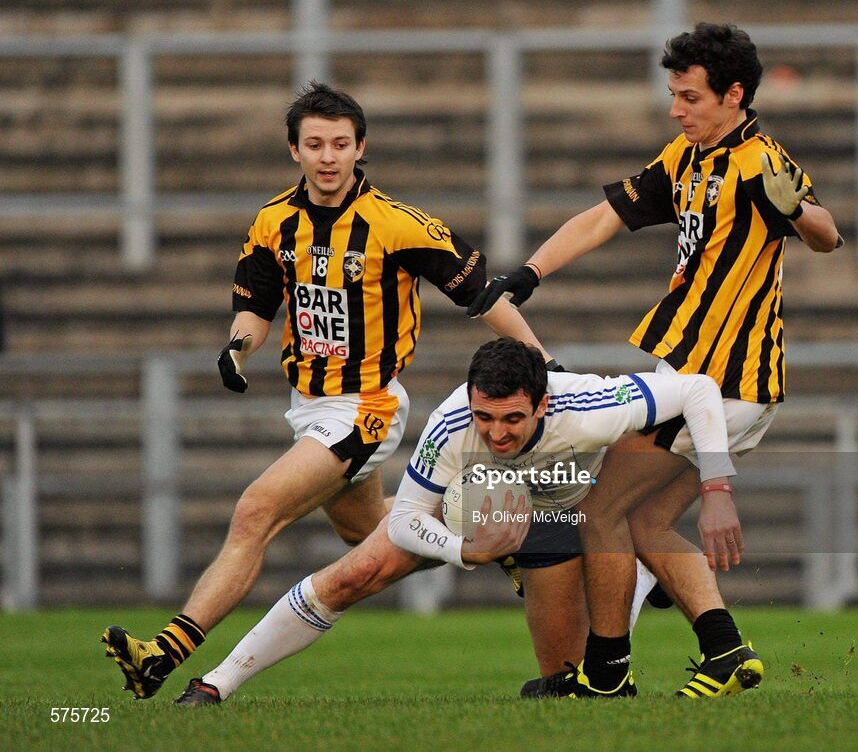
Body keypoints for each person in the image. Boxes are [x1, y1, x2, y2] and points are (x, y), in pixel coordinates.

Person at [101, 82, 550, 700]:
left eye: (341, 143)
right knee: (369, 532)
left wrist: (541, 359)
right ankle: (500, 544)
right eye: (315, 144)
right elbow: (254, 308)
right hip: (309, 406)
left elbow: (481, 294)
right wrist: (237, 349)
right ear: (294, 150)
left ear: (360, 147)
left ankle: (165, 652)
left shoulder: (396, 224)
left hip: (366, 406)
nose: (328, 156)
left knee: (256, 511)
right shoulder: (272, 222)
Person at [469, 22, 842, 698]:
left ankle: (607, 674)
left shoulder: (760, 163)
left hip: (724, 378)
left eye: (690, 97)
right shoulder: (687, 156)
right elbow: (605, 217)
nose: (677, 109)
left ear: (734, 95)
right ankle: (725, 654)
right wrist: (529, 273)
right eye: (674, 95)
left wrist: (801, 210)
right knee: (639, 519)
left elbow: (826, 233)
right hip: (697, 374)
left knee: (601, 511)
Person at [171, 337, 736, 704]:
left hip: (562, 518)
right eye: (485, 417)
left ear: (542, 405)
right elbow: (406, 517)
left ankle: (636, 584)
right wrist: (466, 551)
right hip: (475, 510)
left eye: (513, 418)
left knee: (567, 689)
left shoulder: (590, 407)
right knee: (357, 571)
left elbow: (698, 389)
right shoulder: (452, 424)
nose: (497, 433)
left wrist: (714, 489)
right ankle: (218, 683)